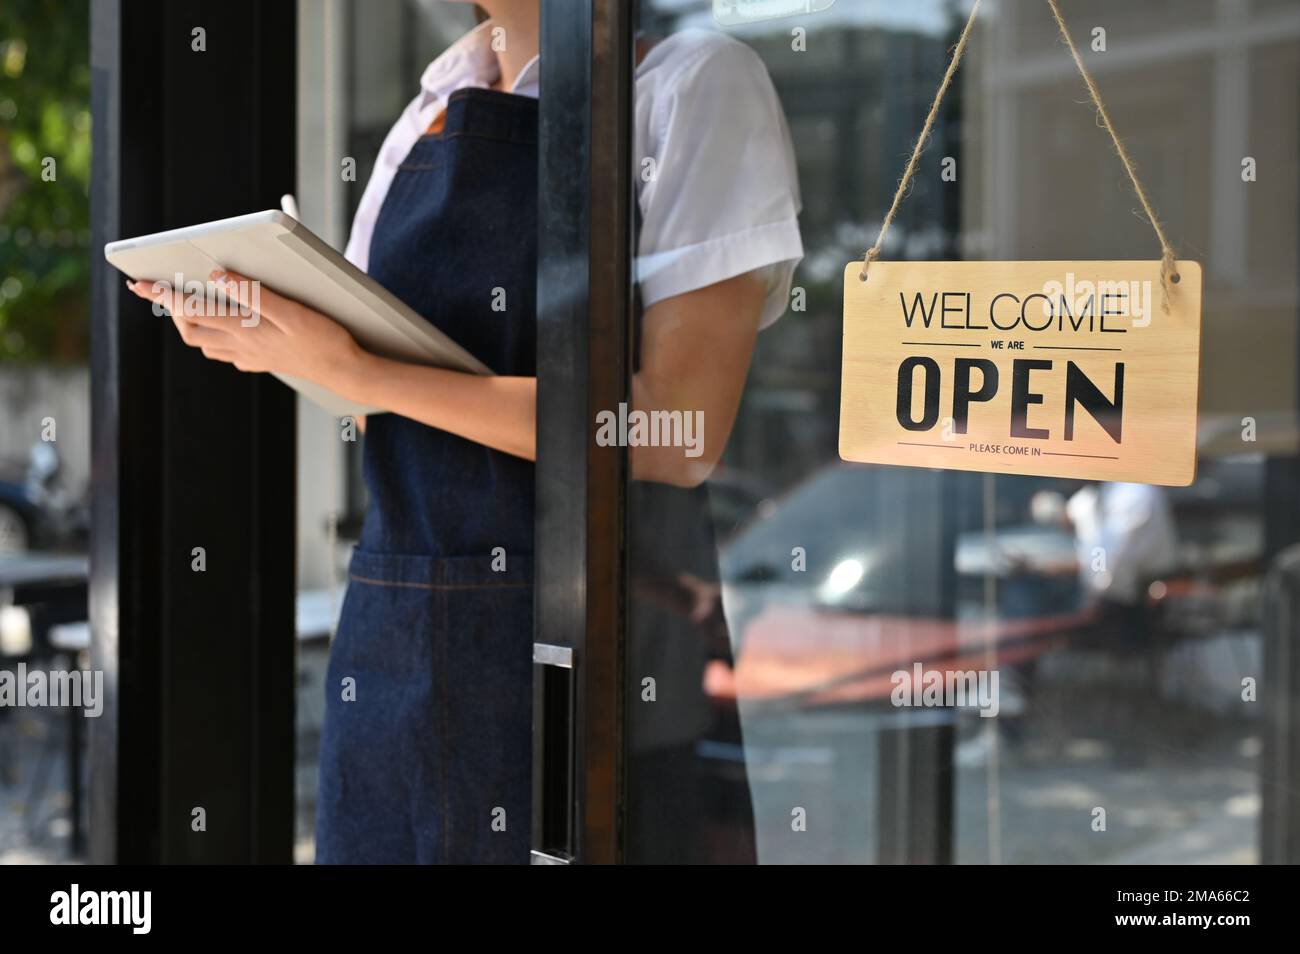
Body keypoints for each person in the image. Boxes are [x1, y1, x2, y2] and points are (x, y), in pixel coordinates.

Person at [127, 0, 802, 863]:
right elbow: (382, 407)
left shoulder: (693, 85)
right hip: (388, 645)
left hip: (581, 660)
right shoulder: (428, 109)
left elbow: (679, 433)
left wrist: (364, 372)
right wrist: (282, 342)